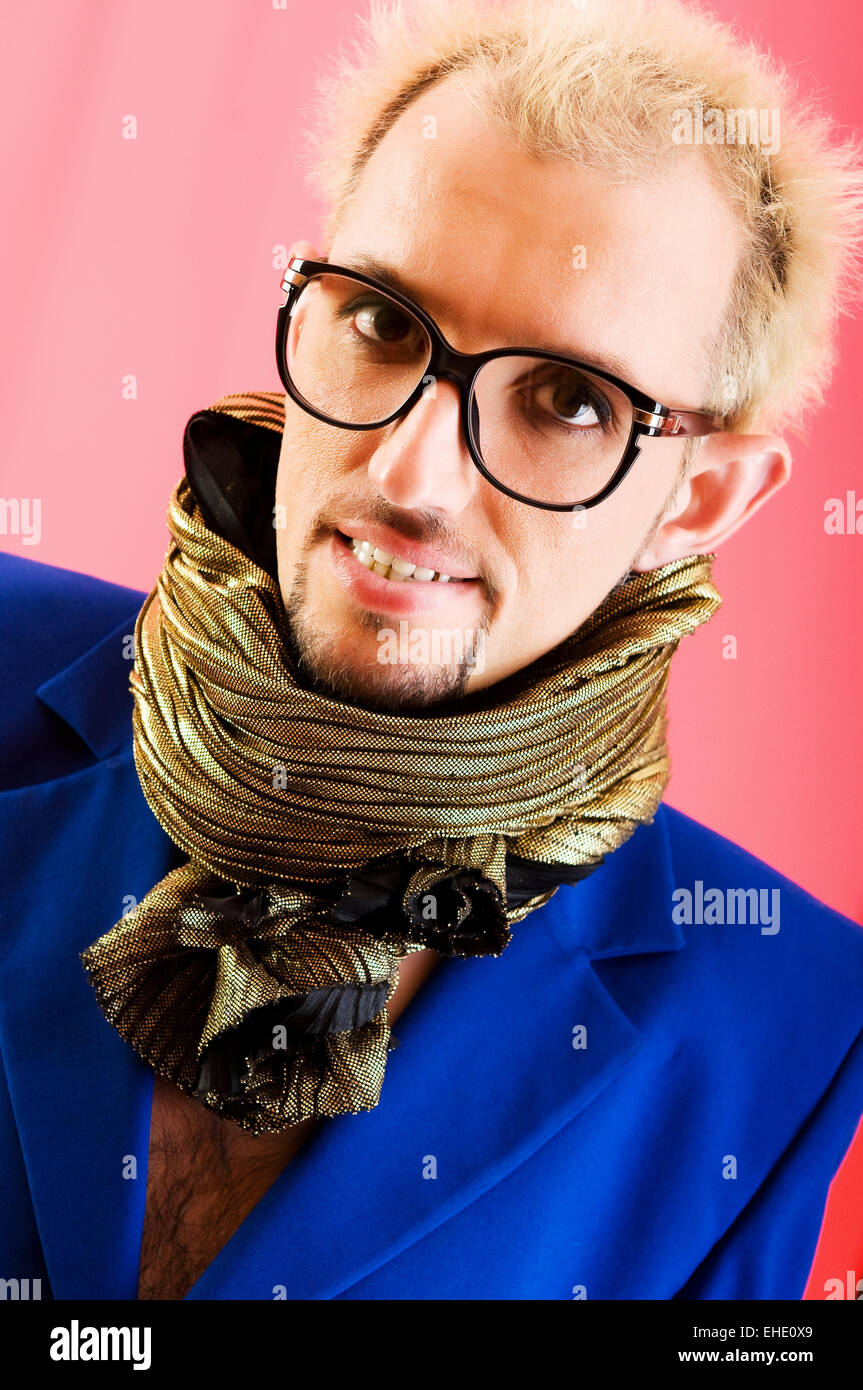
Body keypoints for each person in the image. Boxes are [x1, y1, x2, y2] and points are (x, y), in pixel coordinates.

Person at [1, 0, 862, 1303]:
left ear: (700, 500)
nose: (412, 475)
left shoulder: (788, 1026)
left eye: (568, 400)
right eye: (384, 322)